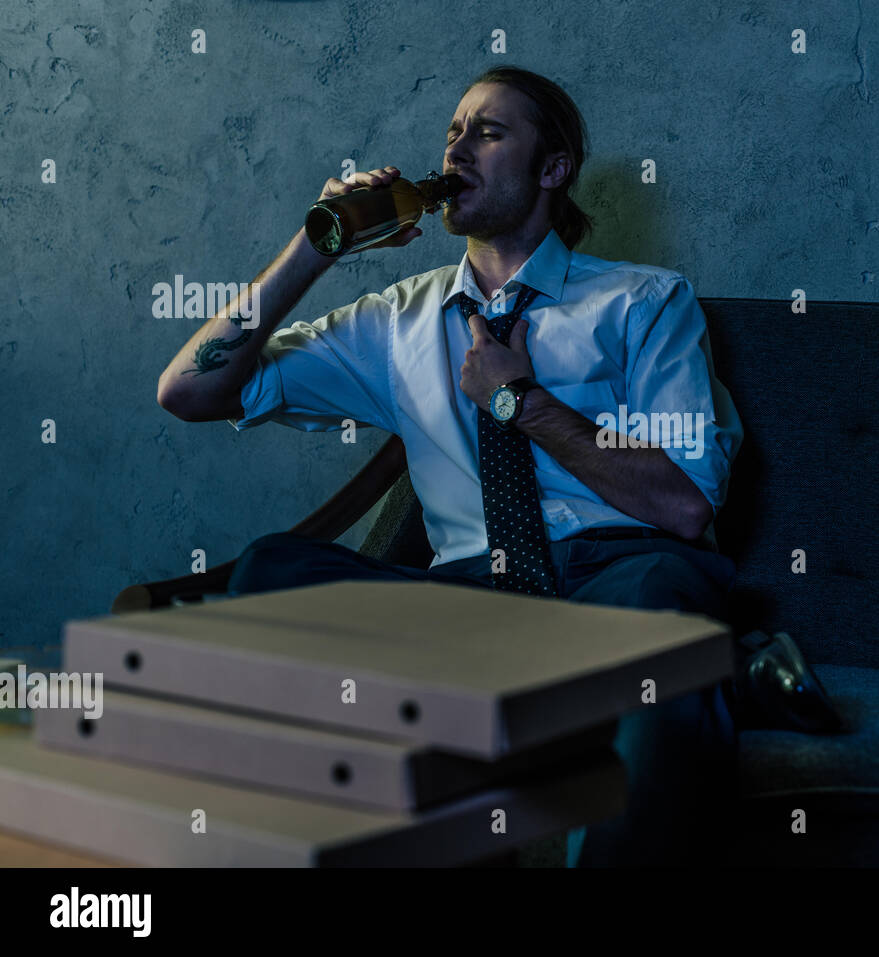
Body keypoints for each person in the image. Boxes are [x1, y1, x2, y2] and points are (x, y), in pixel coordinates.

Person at [156, 65, 744, 866]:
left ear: (554, 168)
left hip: (618, 582)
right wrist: (316, 241)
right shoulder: (398, 321)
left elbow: (684, 506)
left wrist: (522, 403)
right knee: (271, 570)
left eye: (489, 132)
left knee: (669, 630)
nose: (456, 149)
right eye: (452, 132)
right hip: (468, 602)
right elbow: (188, 390)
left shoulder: (644, 302)